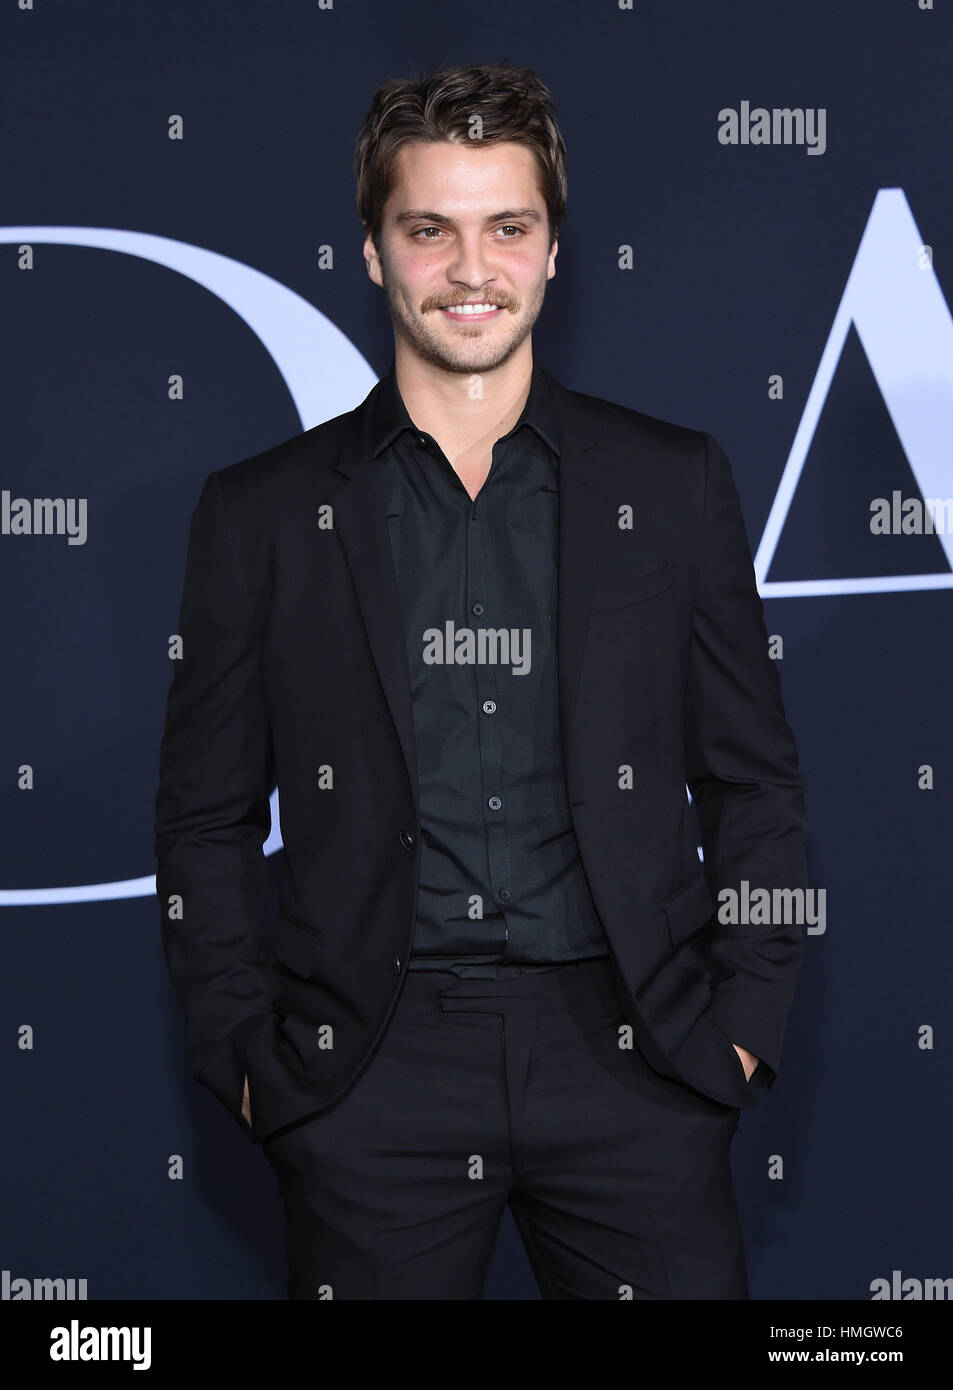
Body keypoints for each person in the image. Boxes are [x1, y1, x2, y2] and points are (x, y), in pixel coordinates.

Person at [154, 59, 808, 1300]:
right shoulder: (261, 514)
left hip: (635, 1060)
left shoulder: (671, 486)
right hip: (368, 1074)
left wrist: (740, 1029)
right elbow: (203, 817)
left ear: (554, 249)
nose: (470, 270)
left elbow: (754, 783)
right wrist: (248, 1056)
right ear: (370, 252)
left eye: (507, 227)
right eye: (429, 230)